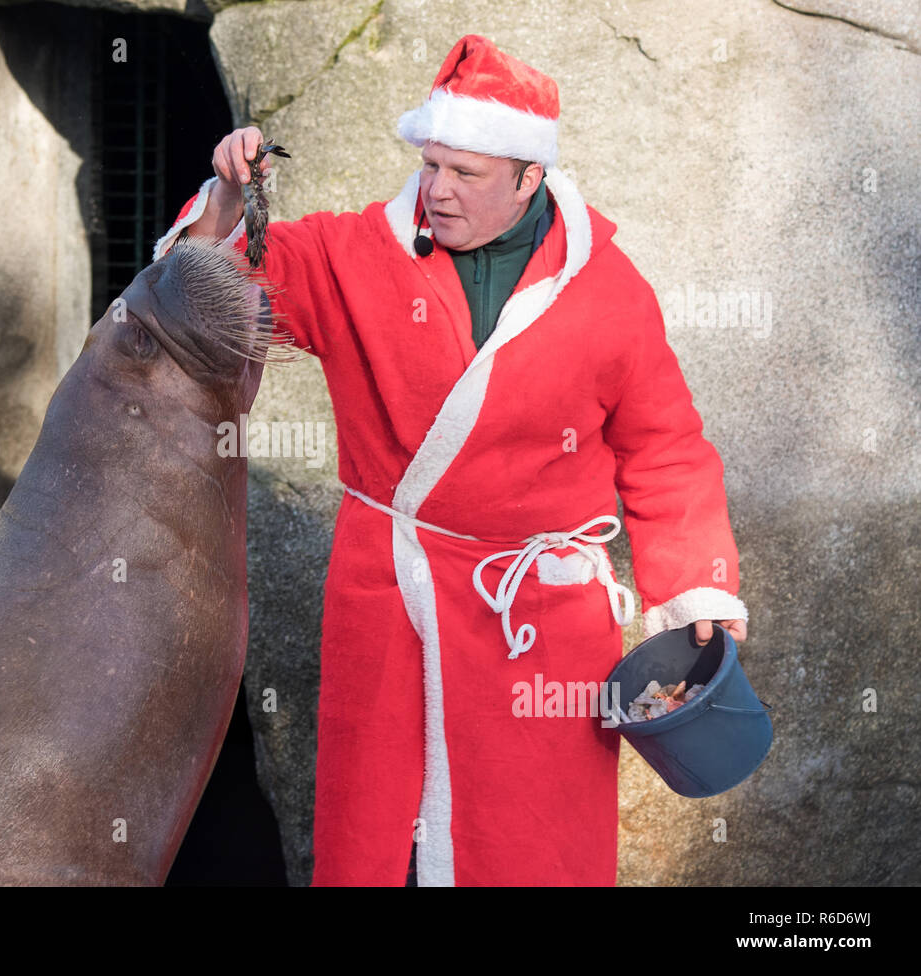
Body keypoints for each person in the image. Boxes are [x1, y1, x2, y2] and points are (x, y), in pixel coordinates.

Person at [153, 35, 748, 886]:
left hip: (539, 619)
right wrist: (224, 199)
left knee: (535, 843)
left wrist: (696, 589)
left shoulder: (609, 293)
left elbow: (666, 448)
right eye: (431, 165)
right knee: (378, 838)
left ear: (529, 177)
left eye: (466, 174)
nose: (437, 191)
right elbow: (201, 291)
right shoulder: (353, 255)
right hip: (389, 592)